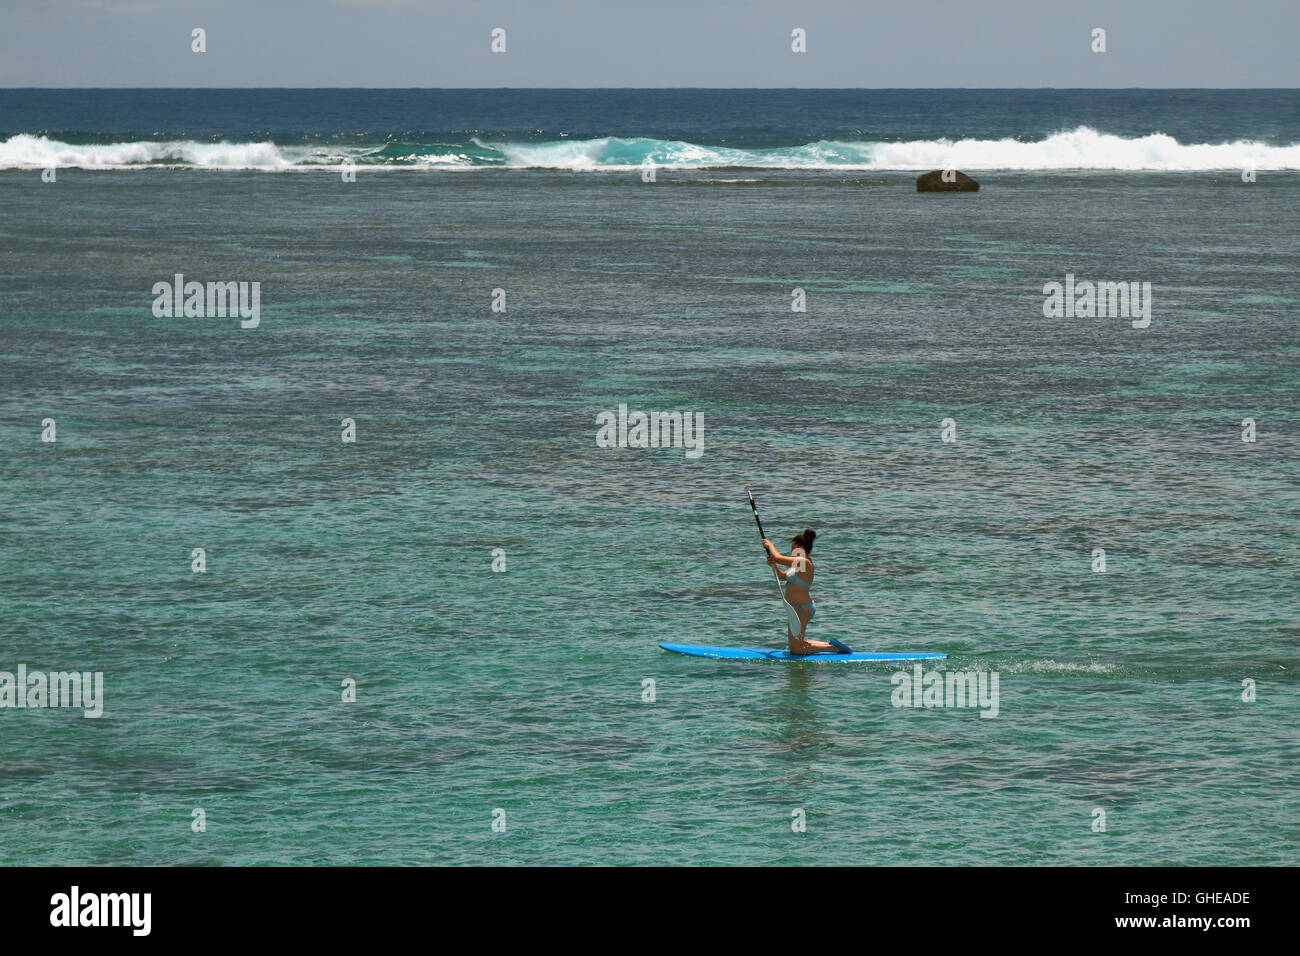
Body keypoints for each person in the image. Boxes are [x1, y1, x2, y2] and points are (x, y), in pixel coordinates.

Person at [762, 529, 844, 655]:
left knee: (796, 650)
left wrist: (770, 545)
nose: (791, 551)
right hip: (795, 609)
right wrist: (773, 565)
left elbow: (778, 557)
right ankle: (830, 645)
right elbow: (783, 576)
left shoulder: (805, 563)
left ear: (801, 548)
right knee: (796, 646)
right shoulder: (797, 566)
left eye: (793, 548)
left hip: (802, 608)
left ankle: (834, 649)